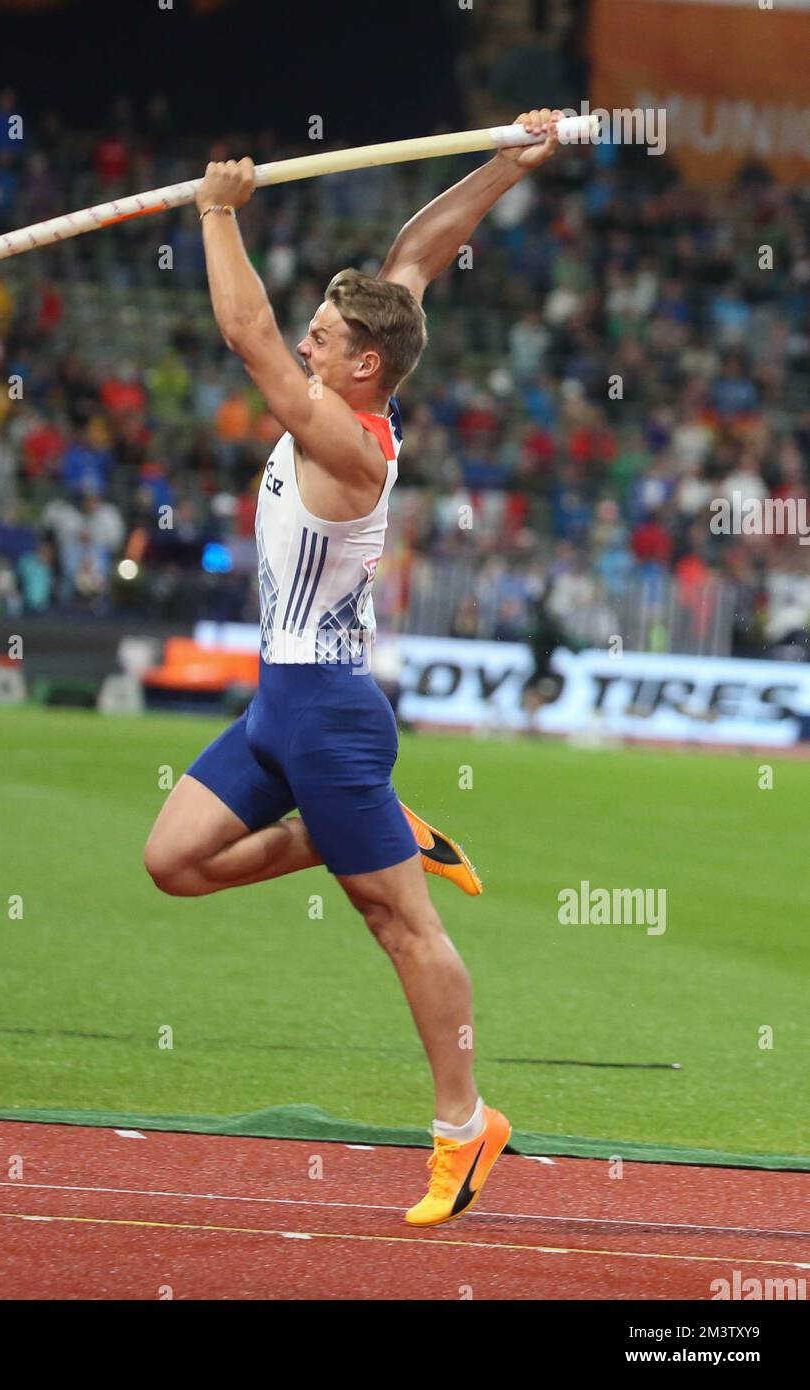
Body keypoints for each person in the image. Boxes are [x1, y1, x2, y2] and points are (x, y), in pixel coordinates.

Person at [145, 110, 564, 1226]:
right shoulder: (371, 366)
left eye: (325, 334)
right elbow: (418, 255)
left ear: (363, 364)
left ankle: (464, 1127)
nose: (309, 338)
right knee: (174, 859)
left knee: (405, 931)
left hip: (329, 720)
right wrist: (504, 163)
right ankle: (390, 828)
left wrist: (215, 213)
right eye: (317, 327)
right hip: (282, 708)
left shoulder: (346, 442)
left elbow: (246, 339)